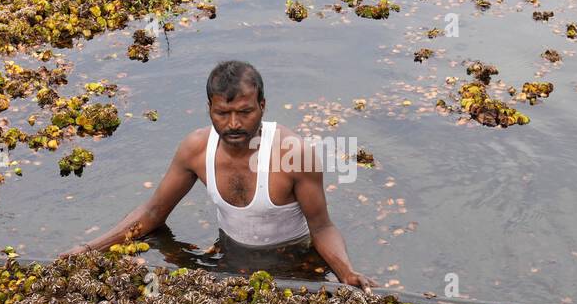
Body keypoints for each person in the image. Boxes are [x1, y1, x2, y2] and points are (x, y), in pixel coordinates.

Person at [64, 60, 375, 290]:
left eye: (245, 112)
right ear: (209, 109)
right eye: (222, 114)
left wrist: (346, 273)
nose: (234, 124)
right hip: (229, 258)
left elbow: (321, 227)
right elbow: (154, 211)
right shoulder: (196, 150)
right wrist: (90, 249)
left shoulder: (294, 154)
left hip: (293, 262)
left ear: (262, 107)